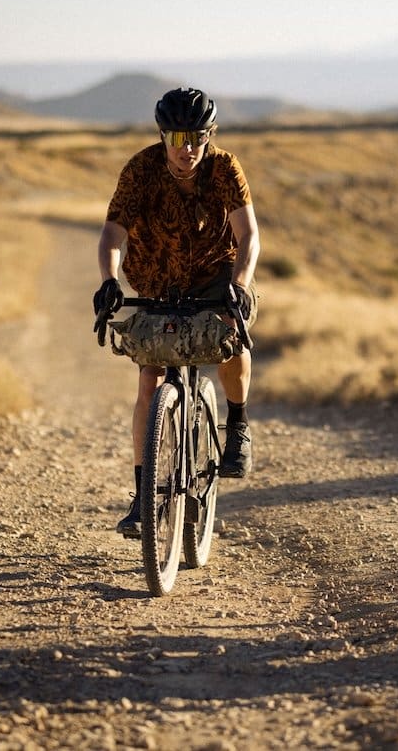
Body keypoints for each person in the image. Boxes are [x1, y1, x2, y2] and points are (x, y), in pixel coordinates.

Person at [94, 87, 261, 538]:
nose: (187, 149)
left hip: (216, 272)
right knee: (149, 381)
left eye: (197, 137)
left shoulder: (224, 168)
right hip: (156, 278)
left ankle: (237, 424)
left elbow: (249, 235)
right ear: (163, 135)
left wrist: (239, 286)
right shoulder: (141, 170)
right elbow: (112, 233)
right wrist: (109, 281)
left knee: (231, 336)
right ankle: (143, 498)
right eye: (177, 138)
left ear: (210, 135)